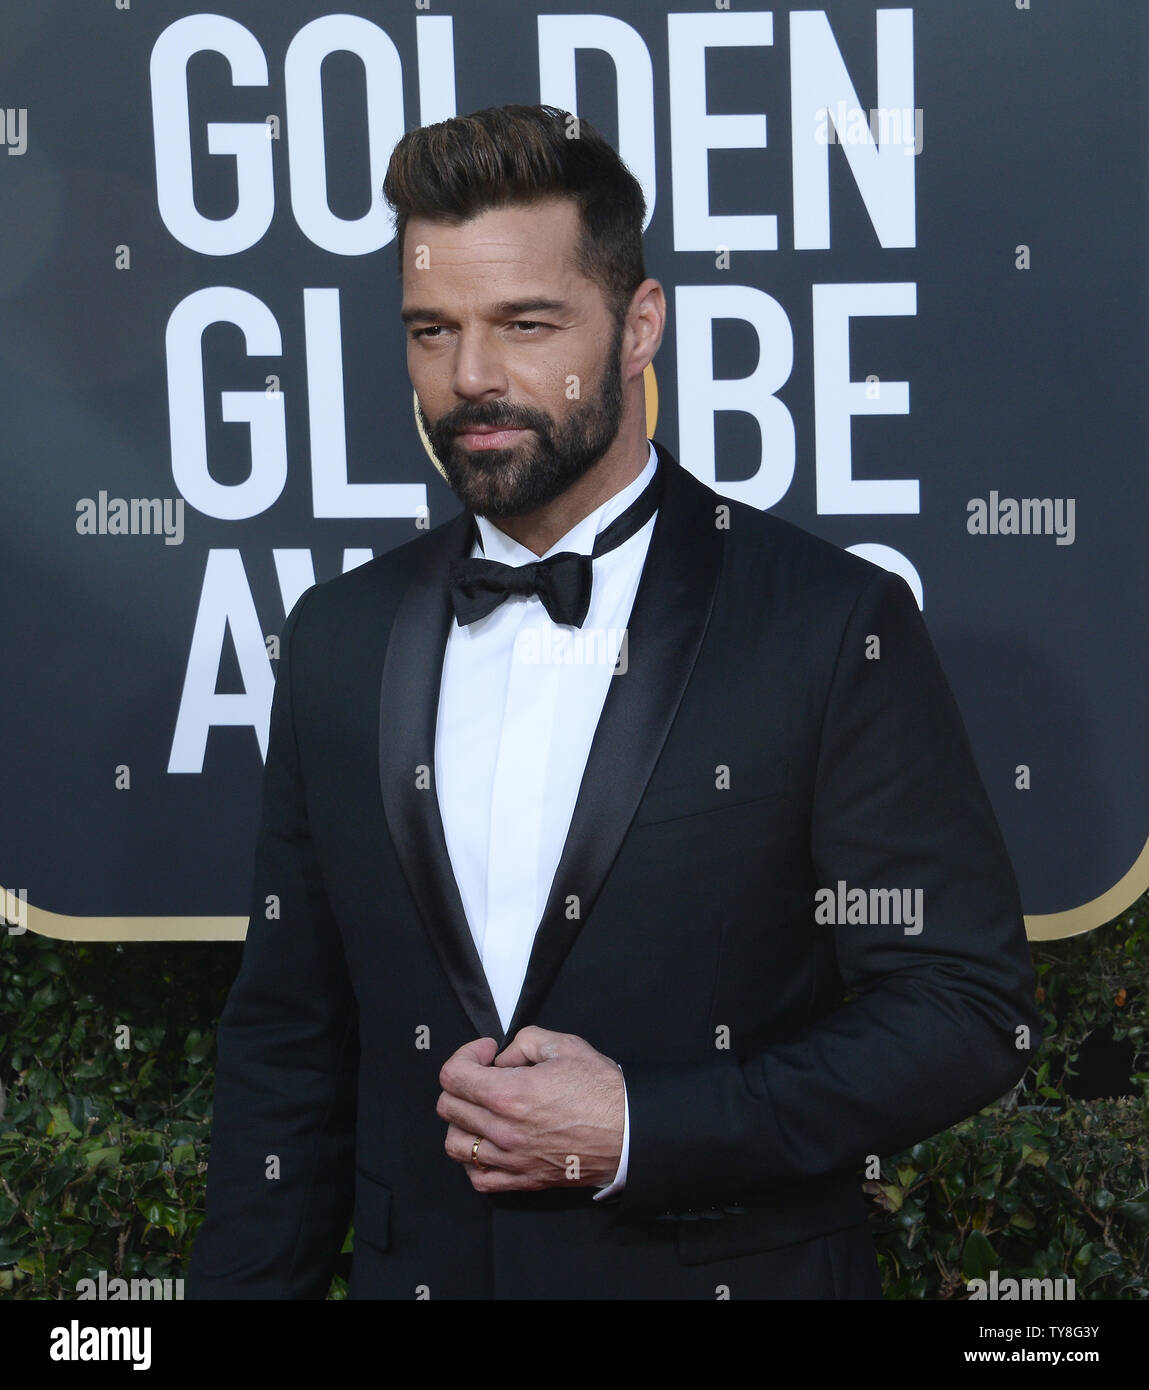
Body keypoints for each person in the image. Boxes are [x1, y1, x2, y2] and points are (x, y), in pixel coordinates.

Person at [186, 105, 1039, 1300]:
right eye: (432, 331)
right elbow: (288, 1038)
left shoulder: (828, 623)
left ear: (641, 326)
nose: (471, 377)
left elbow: (963, 1008)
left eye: (526, 324)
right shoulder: (338, 637)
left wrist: (644, 1125)